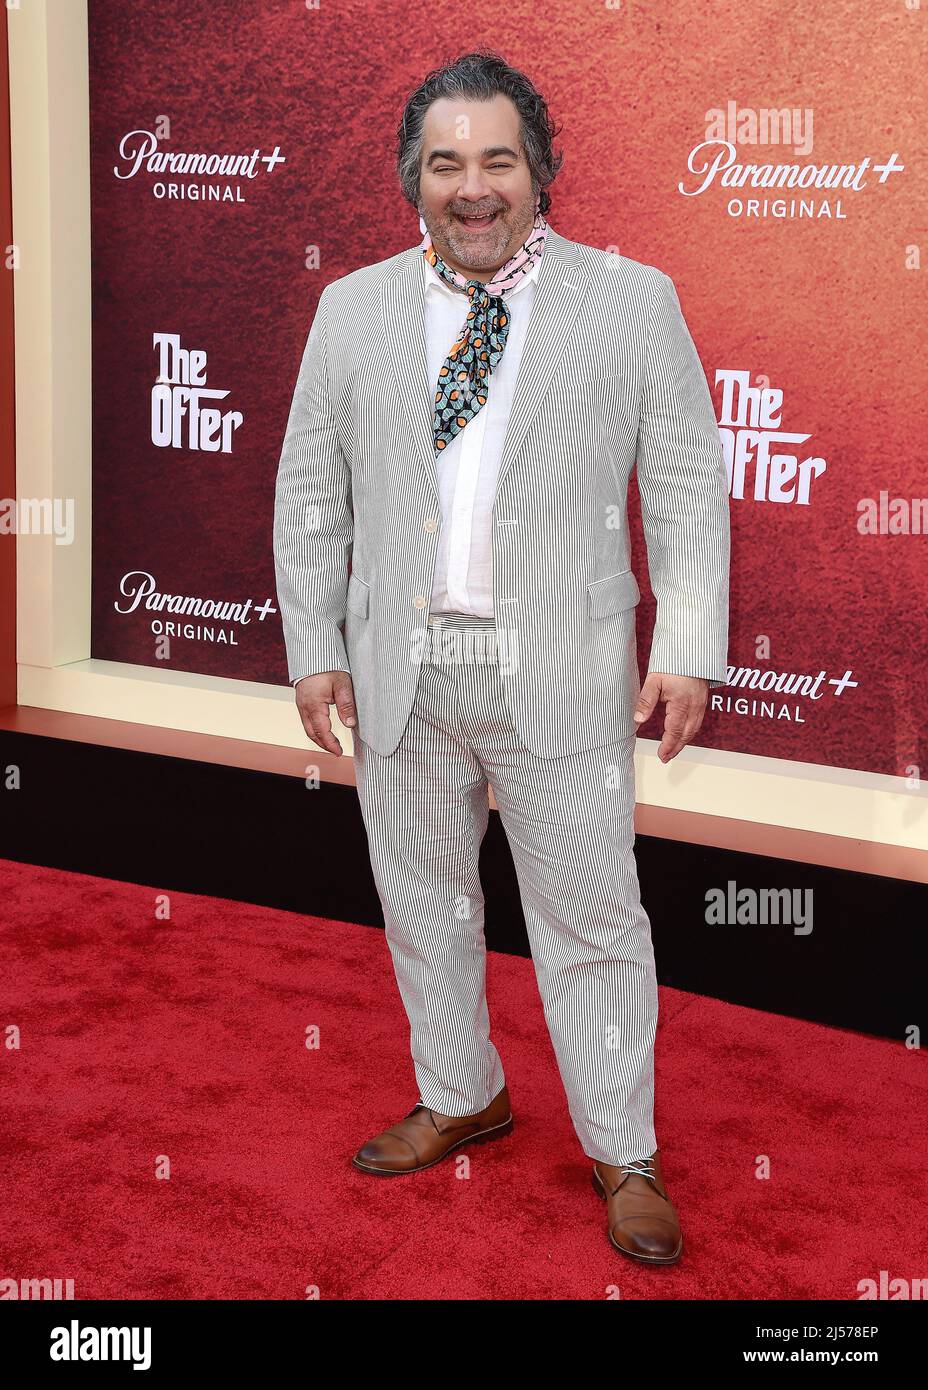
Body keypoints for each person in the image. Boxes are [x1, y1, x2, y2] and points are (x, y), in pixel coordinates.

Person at [273, 49, 730, 1265]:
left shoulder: (631, 302)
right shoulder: (350, 310)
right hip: (401, 668)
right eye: (445, 164)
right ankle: (462, 1093)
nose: (471, 188)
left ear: (540, 173)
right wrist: (314, 645)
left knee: (592, 920)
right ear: (411, 179)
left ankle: (624, 1151)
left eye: (496, 162)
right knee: (424, 902)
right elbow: (311, 491)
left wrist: (688, 645)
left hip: (563, 667)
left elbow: (687, 487)